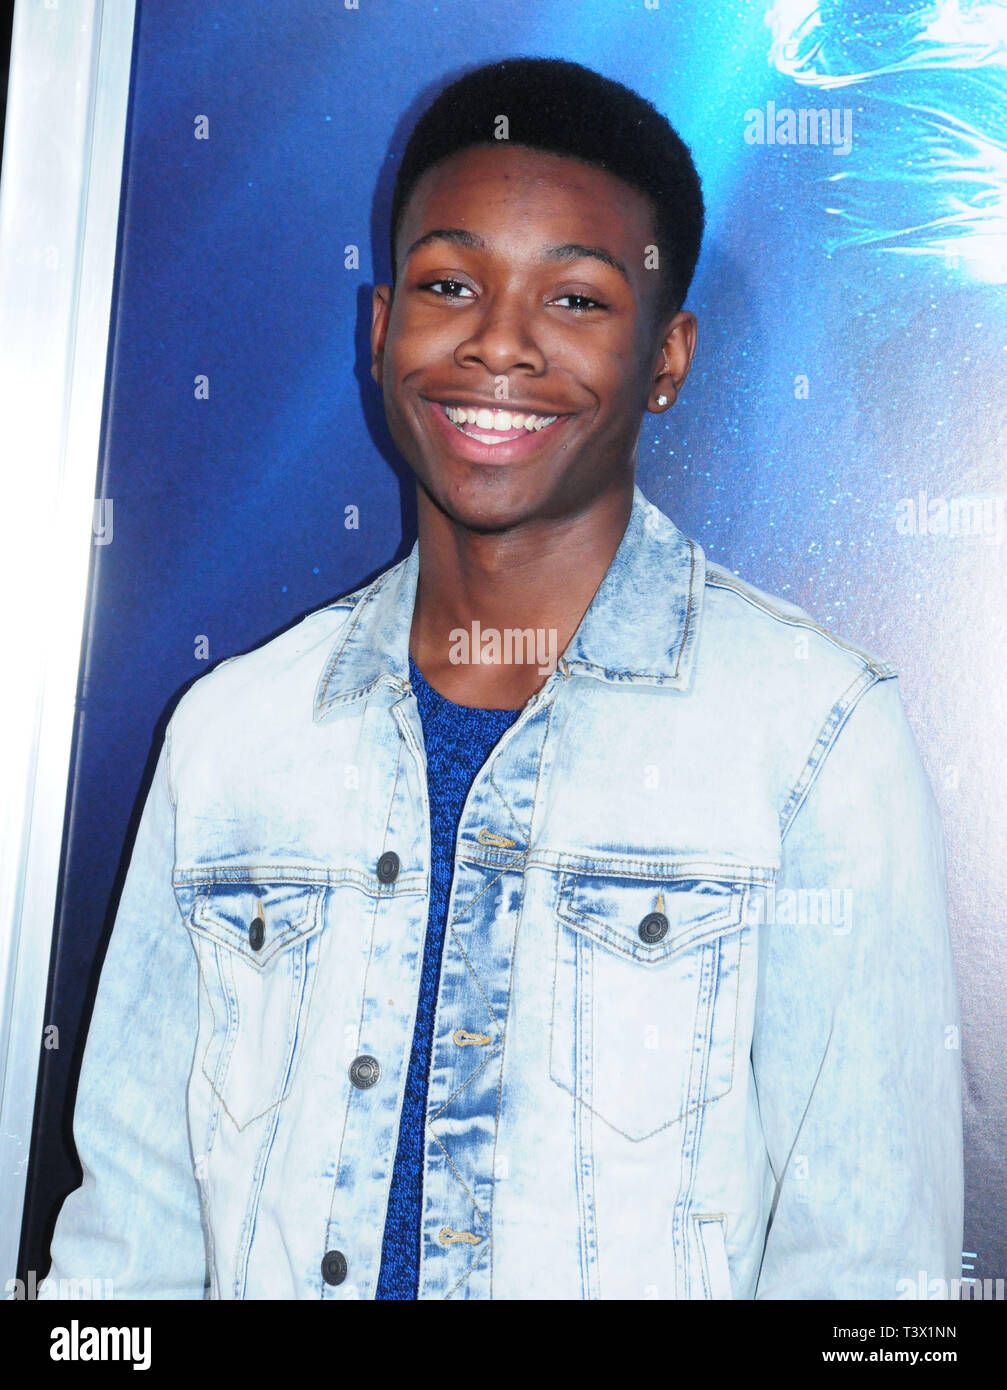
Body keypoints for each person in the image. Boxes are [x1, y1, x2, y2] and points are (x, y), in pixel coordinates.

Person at [44, 56, 962, 1300]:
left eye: (575, 300)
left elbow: (870, 1275)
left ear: (666, 357)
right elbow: (127, 1247)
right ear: (379, 331)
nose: (497, 345)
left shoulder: (811, 737)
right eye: (448, 283)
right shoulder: (229, 738)